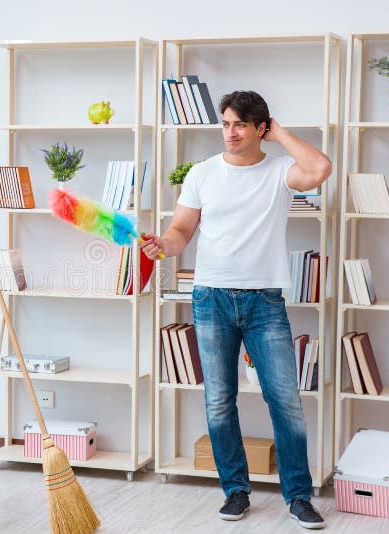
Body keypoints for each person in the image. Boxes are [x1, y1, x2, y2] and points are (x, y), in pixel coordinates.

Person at [141, 91, 331, 530]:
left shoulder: (282, 170)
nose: (231, 132)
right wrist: (162, 247)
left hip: (264, 300)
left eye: (241, 125)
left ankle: (298, 497)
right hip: (211, 298)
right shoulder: (203, 174)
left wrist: (277, 130)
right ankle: (236, 491)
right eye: (226, 124)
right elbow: (180, 232)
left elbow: (320, 169)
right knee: (220, 401)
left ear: (260, 128)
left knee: (286, 401)